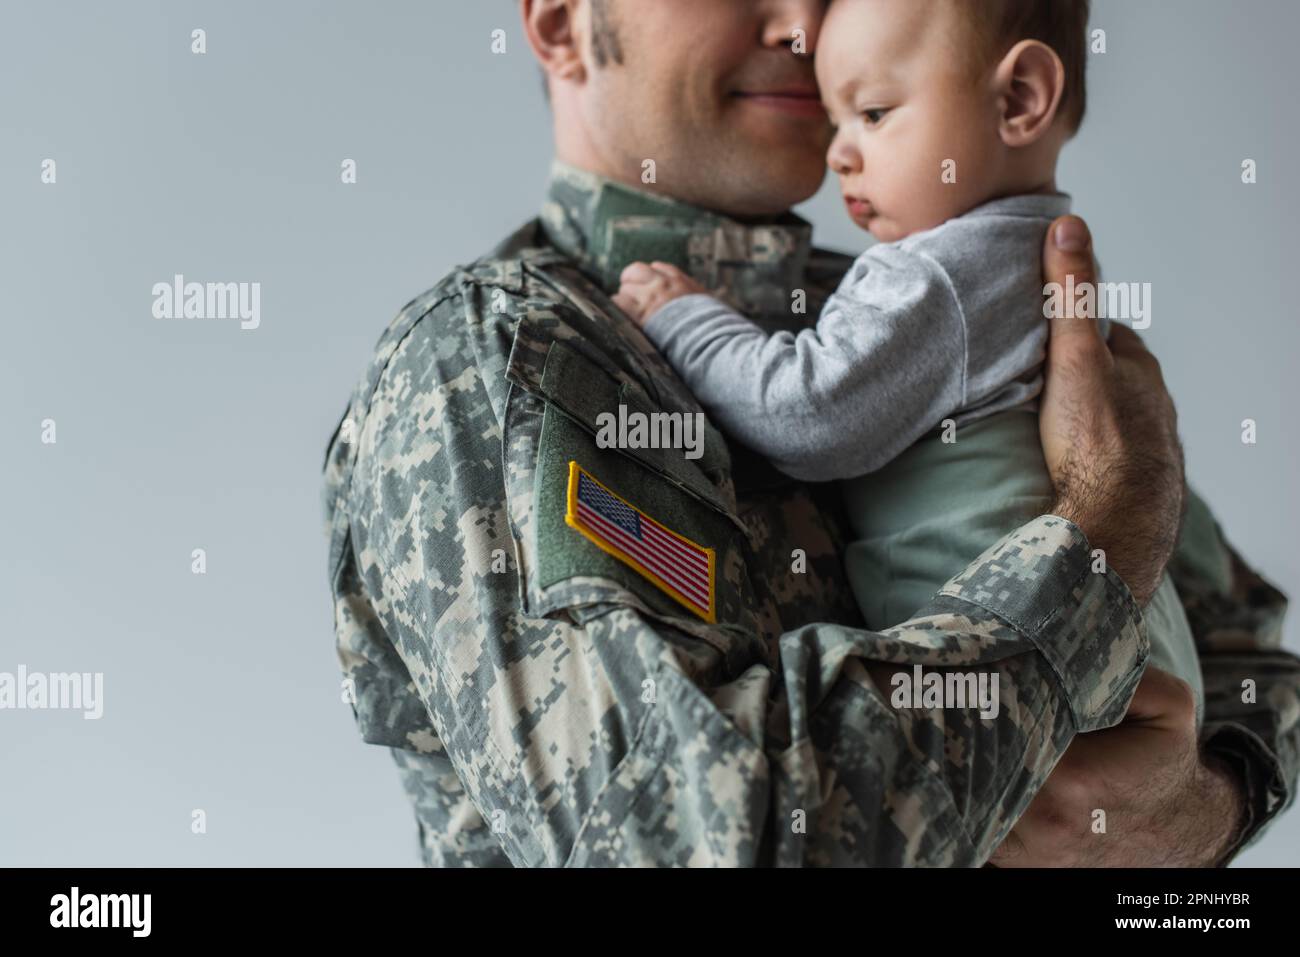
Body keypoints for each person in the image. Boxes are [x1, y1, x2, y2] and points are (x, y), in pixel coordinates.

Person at [322, 0, 1297, 866]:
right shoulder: (499, 353)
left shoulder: (919, 291)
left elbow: (1248, 656)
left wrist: (1198, 813)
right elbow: (701, 844)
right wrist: (1101, 539)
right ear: (556, 22)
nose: (801, 21)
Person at [613, 0, 1205, 716]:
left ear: (1019, 99)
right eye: (836, 120)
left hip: (1024, 691)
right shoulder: (1037, 253)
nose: (838, 153)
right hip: (1125, 660)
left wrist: (682, 316)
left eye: (873, 112)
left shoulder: (937, 274)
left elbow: (807, 413)